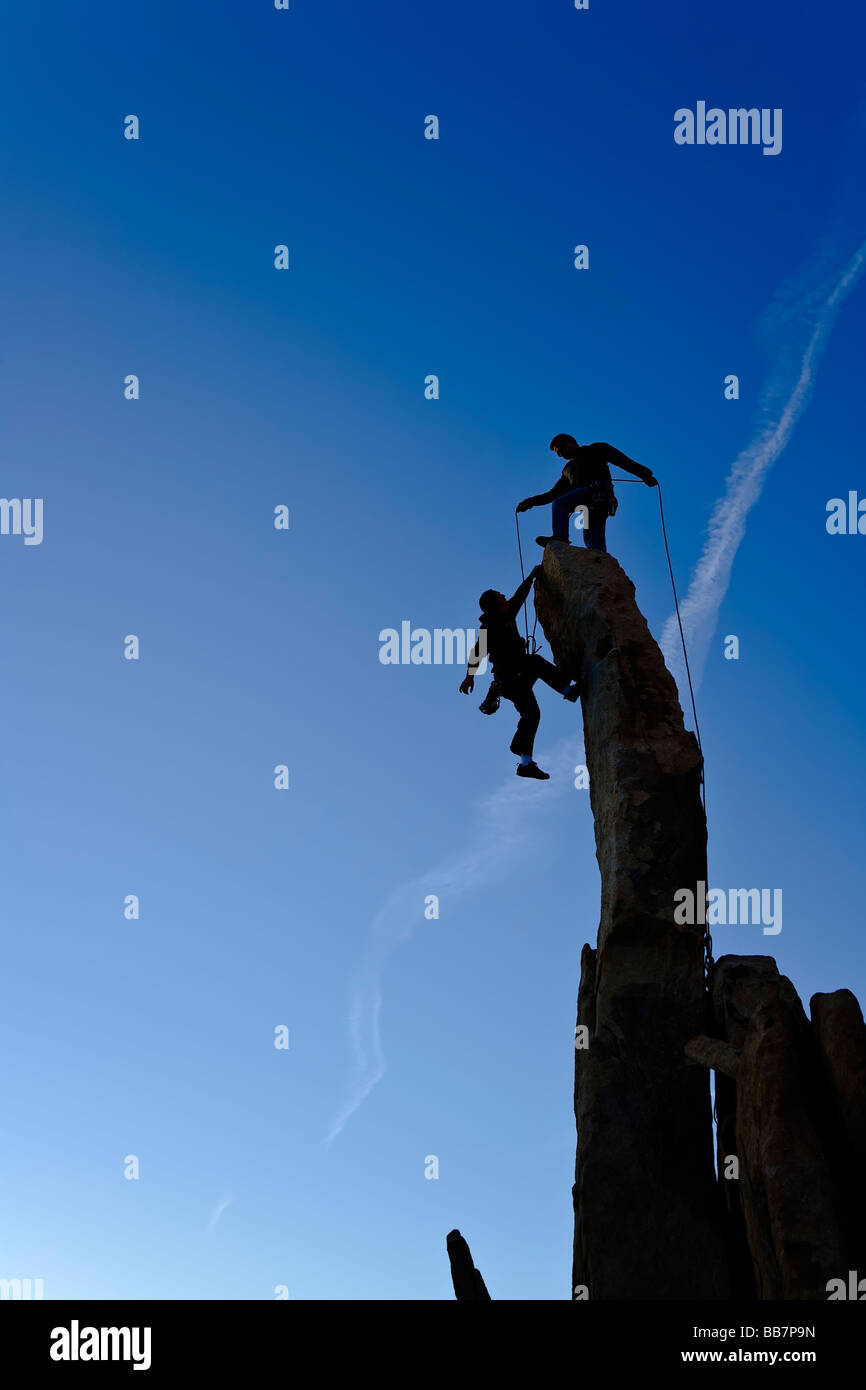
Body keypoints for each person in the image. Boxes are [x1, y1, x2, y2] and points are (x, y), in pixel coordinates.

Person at [459, 566, 580, 780]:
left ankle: (525, 763)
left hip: (515, 679)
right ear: (494, 604)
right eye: (499, 596)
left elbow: (519, 596)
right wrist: (469, 676)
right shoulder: (489, 627)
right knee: (534, 663)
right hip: (510, 679)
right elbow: (477, 652)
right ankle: (567, 689)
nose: (504, 596)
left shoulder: (507, 613)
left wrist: (532, 577)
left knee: (532, 714)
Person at [516, 433, 658, 554]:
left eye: (561, 449)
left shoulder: (597, 449)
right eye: (558, 454)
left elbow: (623, 461)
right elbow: (552, 493)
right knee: (591, 539)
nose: (561, 454)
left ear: (571, 442)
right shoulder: (568, 470)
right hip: (590, 503)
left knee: (561, 504)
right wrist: (529, 502)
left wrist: (645, 475)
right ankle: (599, 561)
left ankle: (560, 537)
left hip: (598, 494)